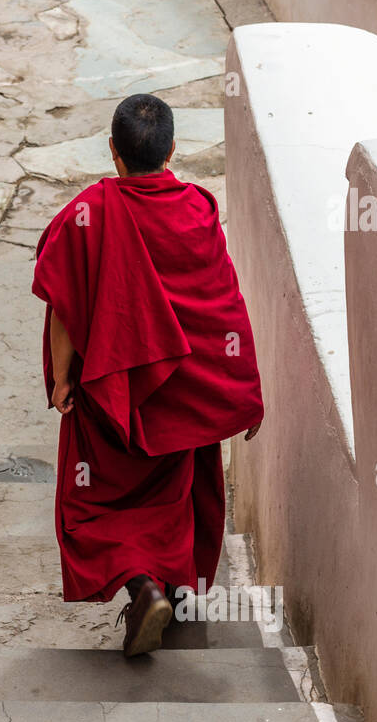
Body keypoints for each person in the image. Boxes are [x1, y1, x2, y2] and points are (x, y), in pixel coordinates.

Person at [32, 93, 264, 657]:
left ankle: (142, 585)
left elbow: (64, 302)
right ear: (172, 151)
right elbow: (222, 302)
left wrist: (62, 380)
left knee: (91, 504)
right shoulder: (199, 208)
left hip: (115, 395)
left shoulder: (89, 212)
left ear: (113, 152)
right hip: (184, 397)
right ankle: (175, 592)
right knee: (181, 496)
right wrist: (243, 387)